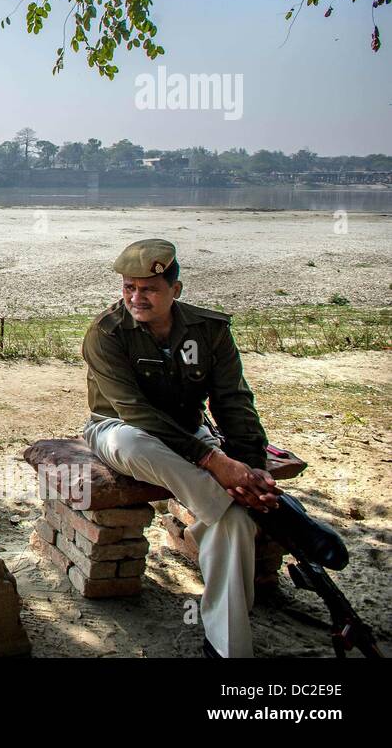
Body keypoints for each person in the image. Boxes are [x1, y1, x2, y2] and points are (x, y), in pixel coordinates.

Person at [81, 238, 279, 657]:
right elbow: (133, 411)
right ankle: (225, 505)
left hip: (189, 435)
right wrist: (214, 463)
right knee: (136, 441)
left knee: (235, 526)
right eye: (128, 288)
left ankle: (227, 648)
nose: (136, 297)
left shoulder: (210, 331)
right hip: (117, 431)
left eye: (149, 289)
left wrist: (251, 468)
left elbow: (233, 402)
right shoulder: (106, 333)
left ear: (176, 289)